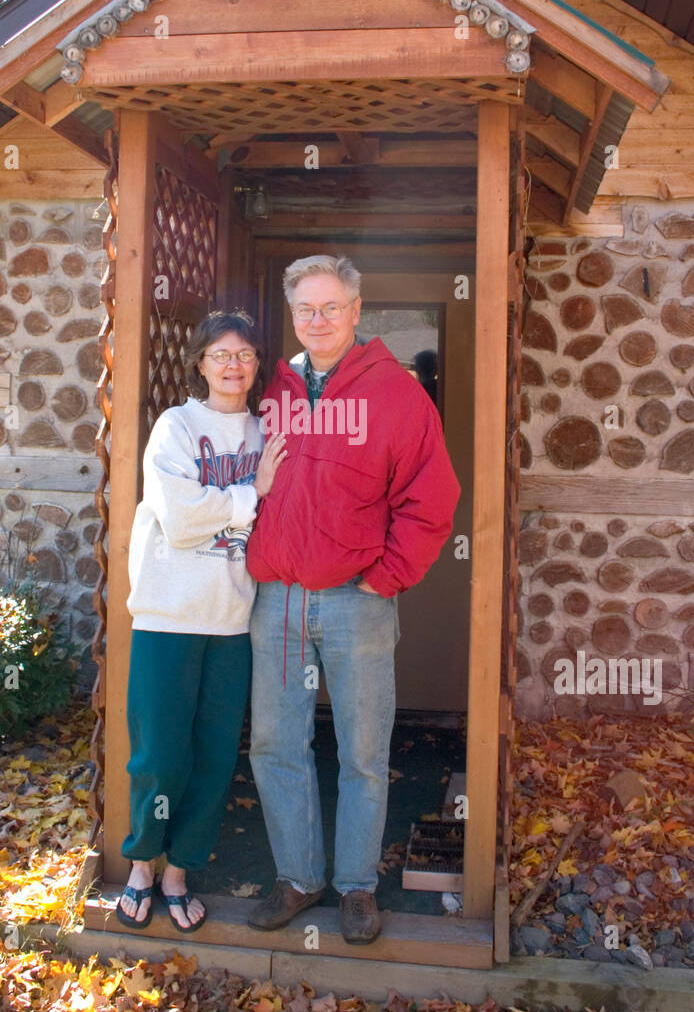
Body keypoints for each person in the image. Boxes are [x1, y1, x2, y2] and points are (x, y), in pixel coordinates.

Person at [245, 256, 460, 945]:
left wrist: (390, 574)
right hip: (277, 599)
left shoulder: (397, 395)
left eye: (331, 307)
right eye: (306, 309)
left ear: (357, 310)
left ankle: (357, 886)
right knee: (278, 744)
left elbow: (432, 497)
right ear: (293, 315)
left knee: (364, 751)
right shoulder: (270, 390)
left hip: (355, 601)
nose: (318, 321)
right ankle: (298, 877)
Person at [116, 310, 286, 932]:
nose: (233, 364)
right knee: (160, 754)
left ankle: (181, 870)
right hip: (168, 615)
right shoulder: (177, 427)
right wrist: (251, 495)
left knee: (215, 757)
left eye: (244, 353)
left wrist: (246, 499)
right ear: (200, 363)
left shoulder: (268, 432)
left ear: (256, 364)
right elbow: (182, 519)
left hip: (233, 619)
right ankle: (141, 864)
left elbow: (282, 512)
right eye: (221, 353)